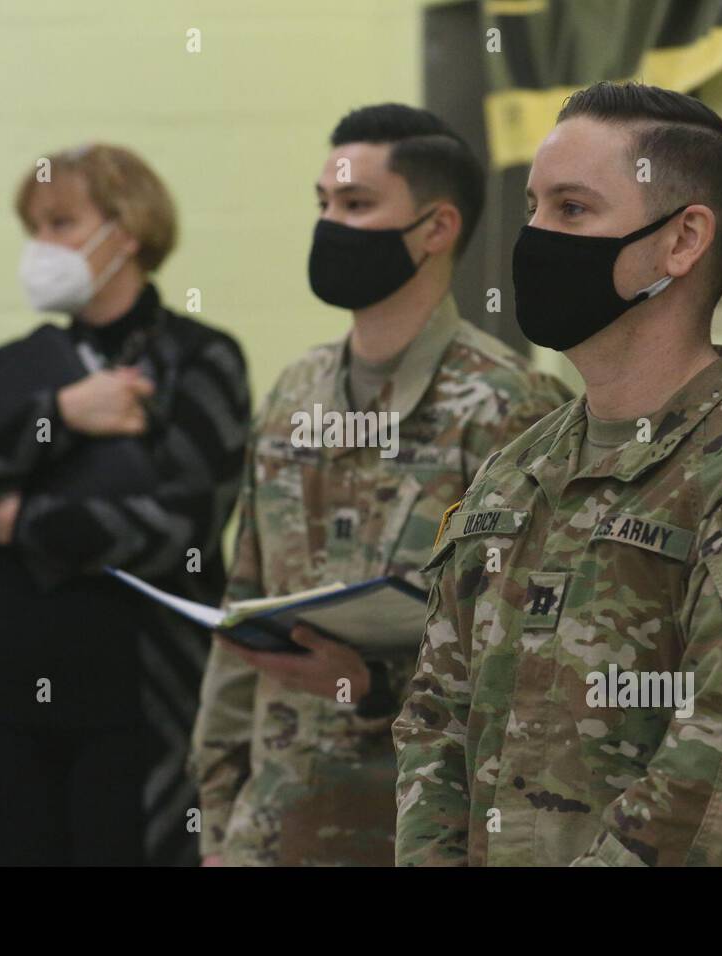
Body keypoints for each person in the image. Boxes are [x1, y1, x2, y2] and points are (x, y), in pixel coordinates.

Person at [393, 82, 722, 867]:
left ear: (682, 240)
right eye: (532, 207)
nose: (533, 238)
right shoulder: (515, 473)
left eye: (571, 210)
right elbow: (435, 723)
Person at [188, 104, 570, 867]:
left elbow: (537, 655)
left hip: (420, 828)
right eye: (323, 205)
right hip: (273, 828)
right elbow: (243, 613)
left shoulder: (508, 407)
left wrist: (371, 685)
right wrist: (220, 814)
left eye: (357, 205)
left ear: (437, 228)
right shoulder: (294, 394)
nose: (331, 225)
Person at [0, 143, 250, 866]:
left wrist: (26, 520)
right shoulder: (20, 367)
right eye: (34, 227)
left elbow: (181, 528)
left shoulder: (201, 361)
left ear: (126, 231)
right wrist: (65, 414)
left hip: (133, 707)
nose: (42, 247)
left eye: (61, 223)